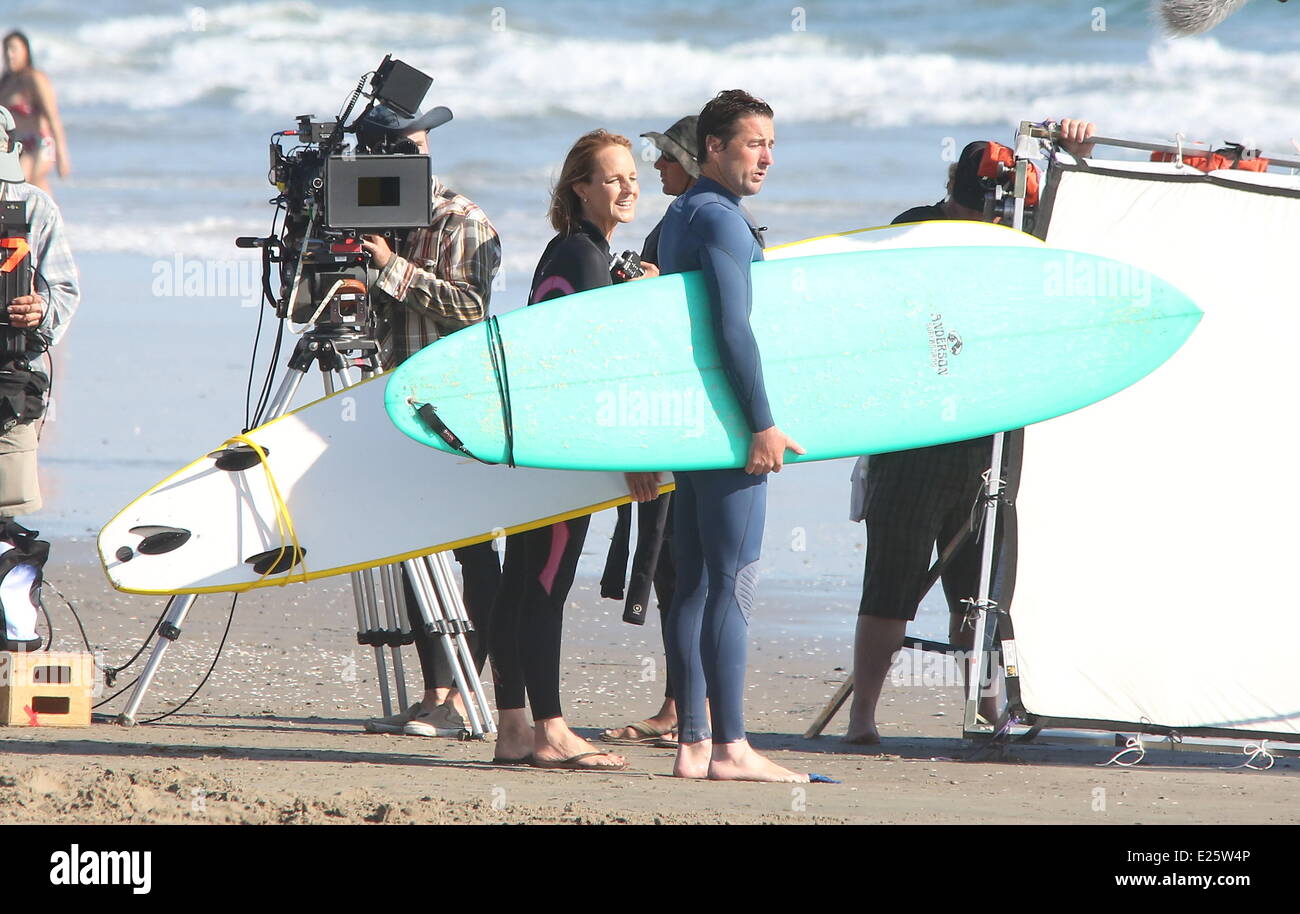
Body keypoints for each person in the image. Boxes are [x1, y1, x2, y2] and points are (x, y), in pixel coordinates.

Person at [844, 119, 1097, 745]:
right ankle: (863, 717)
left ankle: (986, 709)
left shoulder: (1018, 242)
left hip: (990, 439)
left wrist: (1079, 162)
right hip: (914, 440)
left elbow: (1080, 255)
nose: (980, 221)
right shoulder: (916, 228)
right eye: (973, 209)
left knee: (981, 591)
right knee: (892, 584)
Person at [656, 90, 808, 782]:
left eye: (771, 144)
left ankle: (693, 742)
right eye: (753, 142)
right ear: (713, 147)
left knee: (693, 585)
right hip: (728, 428)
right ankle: (732, 748)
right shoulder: (720, 219)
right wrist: (763, 424)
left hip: (693, 423)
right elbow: (732, 329)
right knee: (732, 581)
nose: (767, 156)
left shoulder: (681, 214)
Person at [490, 129, 649, 770]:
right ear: (580, 189)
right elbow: (599, 368)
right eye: (612, 178)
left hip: (538, 443)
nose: (628, 186)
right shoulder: (584, 258)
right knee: (545, 588)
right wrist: (635, 453)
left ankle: (512, 728)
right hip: (567, 451)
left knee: (518, 584)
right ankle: (551, 730)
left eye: (631, 176)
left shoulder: (572, 252)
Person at [355, 106, 504, 738]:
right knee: (412, 545)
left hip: (451, 411)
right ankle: (433, 691)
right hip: (392, 401)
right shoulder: (367, 213)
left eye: (414, 148)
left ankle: (464, 694)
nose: (407, 161)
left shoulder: (462, 222)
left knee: (471, 549)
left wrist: (392, 267)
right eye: (392, 151)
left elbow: (472, 309)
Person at [599, 114, 702, 748]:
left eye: (665, 158)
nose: (657, 168)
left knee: (680, 569)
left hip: (676, 424)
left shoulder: (692, 221)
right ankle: (682, 703)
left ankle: (685, 707)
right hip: (681, 422)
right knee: (677, 569)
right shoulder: (690, 220)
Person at [0, 104, 78, 649]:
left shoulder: (33, 206)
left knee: (6, 515)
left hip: (11, 378)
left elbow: (65, 289)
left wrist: (40, 311)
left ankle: (15, 636)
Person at [0, 32, 70, 195]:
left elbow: (53, 116)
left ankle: (49, 218)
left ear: (26, 50)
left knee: (29, 183)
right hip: (16, 144)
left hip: (40, 142)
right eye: (6, 50)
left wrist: (62, 154)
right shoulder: (6, 83)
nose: (10, 55)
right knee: (16, 190)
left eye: (14, 49)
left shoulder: (35, 78)